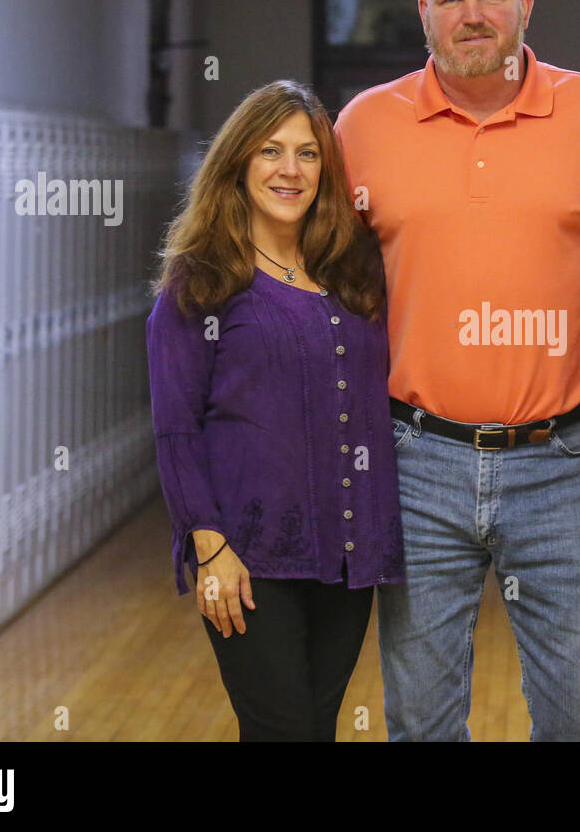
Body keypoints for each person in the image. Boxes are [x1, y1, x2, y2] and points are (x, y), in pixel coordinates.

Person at [334, 0, 580, 740]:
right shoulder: (364, 127)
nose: (474, 16)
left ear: (524, 6)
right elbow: (320, 283)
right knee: (421, 722)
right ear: (424, 16)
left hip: (564, 464)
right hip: (416, 461)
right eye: (454, 0)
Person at [145, 80, 403, 741]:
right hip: (247, 559)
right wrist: (210, 547)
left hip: (346, 555)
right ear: (238, 162)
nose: (291, 170)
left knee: (313, 728)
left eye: (308, 153)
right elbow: (177, 427)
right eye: (271, 151)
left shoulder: (351, 273)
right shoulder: (200, 281)